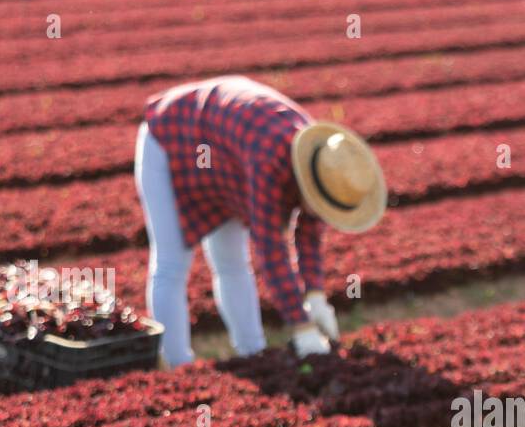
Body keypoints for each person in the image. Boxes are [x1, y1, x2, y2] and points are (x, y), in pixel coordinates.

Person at [134, 75, 387, 367]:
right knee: (171, 263)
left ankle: (253, 354)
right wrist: (301, 326)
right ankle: (177, 366)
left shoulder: (322, 162)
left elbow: (309, 232)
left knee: (232, 263)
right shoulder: (270, 160)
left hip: (223, 155)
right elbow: (270, 250)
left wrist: (316, 296)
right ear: (306, 183)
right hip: (172, 135)